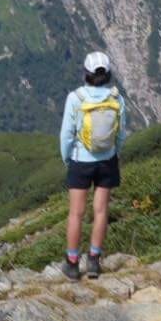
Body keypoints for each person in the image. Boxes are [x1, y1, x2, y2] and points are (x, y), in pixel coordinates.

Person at [58, 51, 125, 280]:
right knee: (101, 211)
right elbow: (121, 133)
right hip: (107, 161)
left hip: (81, 161)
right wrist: (114, 154)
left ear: (85, 73)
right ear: (108, 74)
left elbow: (66, 135)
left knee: (76, 213)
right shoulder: (116, 98)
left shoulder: (75, 98)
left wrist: (67, 158)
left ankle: (72, 263)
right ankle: (94, 261)